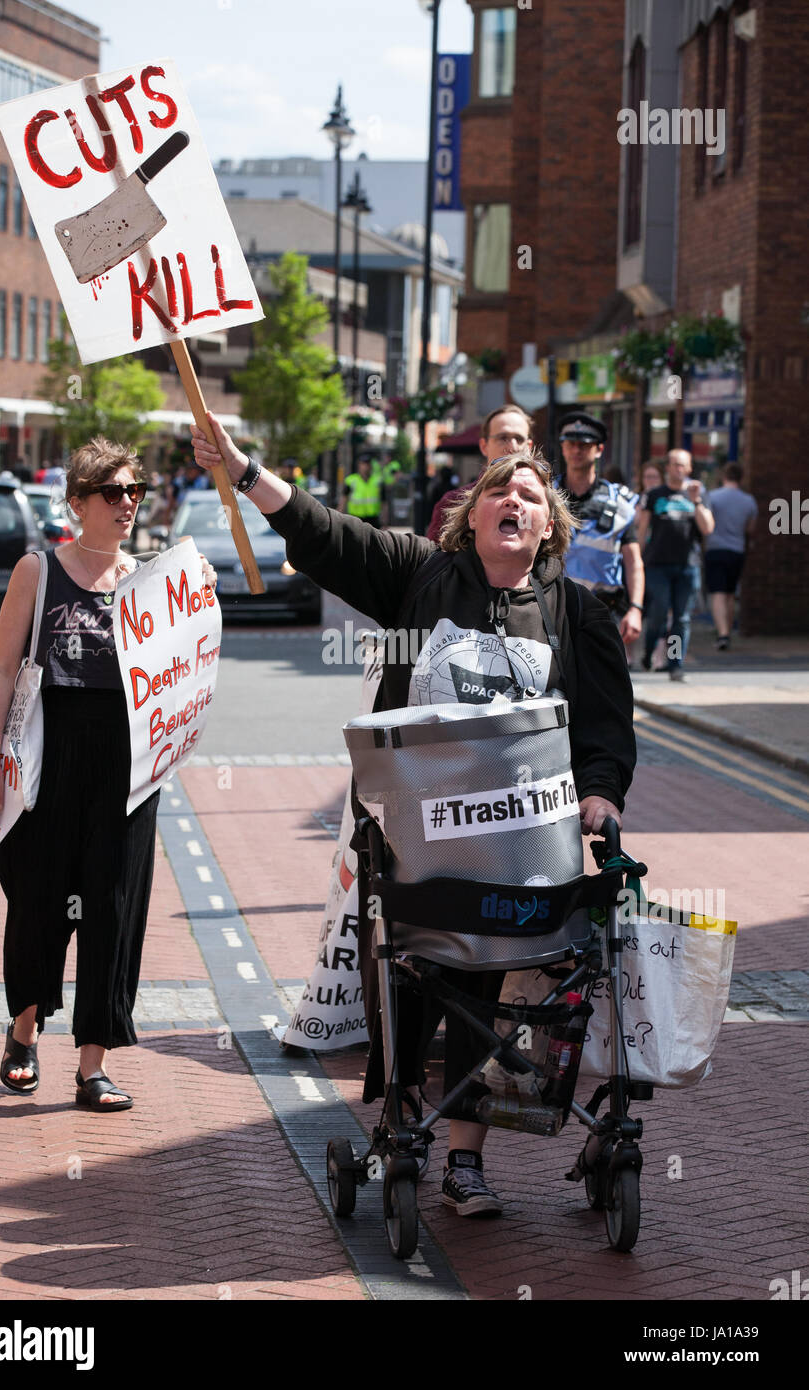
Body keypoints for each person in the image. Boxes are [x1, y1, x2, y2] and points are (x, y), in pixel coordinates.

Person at [191, 411, 635, 1218]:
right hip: (413, 850)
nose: (516, 500)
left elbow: (606, 730)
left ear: (547, 525)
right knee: (409, 978)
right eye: (501, 489)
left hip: (520, 855)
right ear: (474, 516)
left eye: (531, 495)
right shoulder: (420, 574)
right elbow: (327, 534)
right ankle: (402, 1129)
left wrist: (601, 794)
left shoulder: (578, 615)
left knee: (489, 994)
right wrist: (245, 469)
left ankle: (466, 1160)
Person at [0, 437, 216, 1111]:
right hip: (51, 754)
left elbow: (183, 668)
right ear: (78, 502)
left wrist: (202, 602)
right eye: (112, 493)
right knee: (38, 901)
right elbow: (1, 667)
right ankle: (23, 1030)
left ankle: (93, 1064)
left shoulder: (151, 578)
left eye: (135, 492)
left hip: (129, 763)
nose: (127, 504)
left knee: (114, 907)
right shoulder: (38, 569)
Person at [554, 412, 644, 652]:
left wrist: (635, 608)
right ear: (563, 448)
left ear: (599, 449)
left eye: (584, 445)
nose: (577, 450)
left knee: (603, 685)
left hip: (602, 611)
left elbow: (634, 562)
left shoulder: (620, 504)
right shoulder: (544, 496)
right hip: (551, 608)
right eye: (571, 444)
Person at [636, 448, 715, 681]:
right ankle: (649, 651)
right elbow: (642, 531)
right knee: (658, 612)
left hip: (687, 566)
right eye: (674, 464)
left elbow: (708, 528)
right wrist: (636, 561)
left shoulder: (698, 494)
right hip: (656, 564)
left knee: (681, 618)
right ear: (667, 468)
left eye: (683, 465)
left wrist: (697, 501)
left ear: (689, 468)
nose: (679, 469)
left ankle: (675, 665)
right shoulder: (655, 494)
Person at [426, 404, 532, 542]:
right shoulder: (454, 503)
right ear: (484, 446)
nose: (512, 446)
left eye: (519, 439)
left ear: (529, 447)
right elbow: (434, 557)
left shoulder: (543, 501)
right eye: (503, 438)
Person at [705, 463, 758, 650]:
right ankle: (726, 631)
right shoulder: (749, 501)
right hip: (737, 551)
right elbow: (750, 529)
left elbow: (705, 523)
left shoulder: (712, 497)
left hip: (715, 549)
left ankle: (722, 634)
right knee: (729, 594)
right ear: (741, 478)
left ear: (723, 476)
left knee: (717, 594)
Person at [339, 455, 383, 526]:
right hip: (355, 518)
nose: (366, 467)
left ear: (371, 466)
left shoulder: (377, 481)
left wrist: (384, 520)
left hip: (373, 519)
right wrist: (339, 515)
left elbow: (384, 502)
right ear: (359, 466)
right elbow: (344, 498)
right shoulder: (351, 480)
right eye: (363, 464)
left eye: (368, 464)